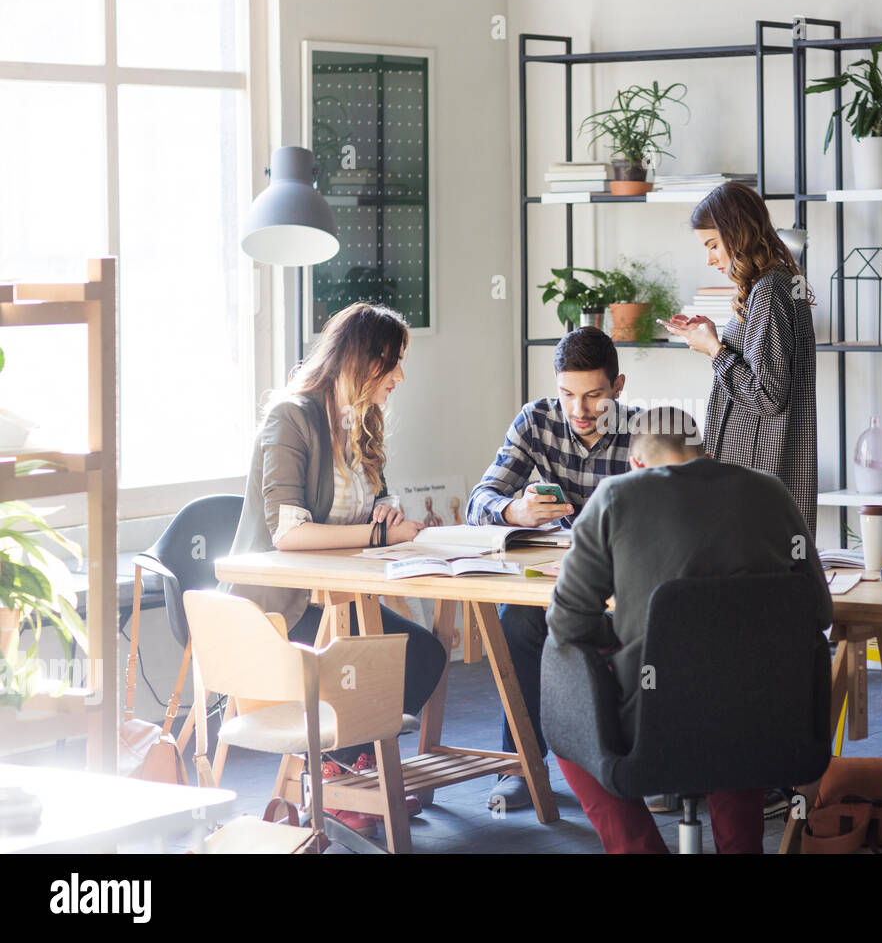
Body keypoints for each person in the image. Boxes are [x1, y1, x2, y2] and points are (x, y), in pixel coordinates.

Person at [546, 407, 833, 854]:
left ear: (636, 464)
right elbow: (816, 610)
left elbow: (567, 624)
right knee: (734, 680)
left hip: (653, 725)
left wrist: (626, 632)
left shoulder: (616, 497)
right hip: (775, 724)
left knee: (561, 688)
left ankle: (638, 848)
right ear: (708, 455)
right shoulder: (771, 492)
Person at [225, 301, 447, 834]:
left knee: (424, 655)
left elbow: (372, 502)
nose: (398, 377)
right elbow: (290, 533)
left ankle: (352, 771)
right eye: (391, 362)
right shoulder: (292, 416)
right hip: (283, 608)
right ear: (360, 360)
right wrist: (378, 532)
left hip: (339, 603)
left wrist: (384, 511)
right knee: (369, 665)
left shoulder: (364, 421)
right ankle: (340, 775)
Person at [466, 326, 639, 810]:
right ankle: (520, 764)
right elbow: (480, 500)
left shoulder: (645, 432)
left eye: (594, 396)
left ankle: (640, 761)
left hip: (622, 593)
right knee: (515, 620)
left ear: (618, 388)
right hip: (553, 588)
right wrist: (514, 511)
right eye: (567, 394)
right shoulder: (535, 421)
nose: (579, 410)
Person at [662, 181, 819, 537]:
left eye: (713, 245)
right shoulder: (769, 286)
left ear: (738, 233)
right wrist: (713, 337)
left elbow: (767, 396)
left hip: (756, 477)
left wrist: (714, 350)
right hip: (753, 474)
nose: (710, 258)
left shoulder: (769, 290)